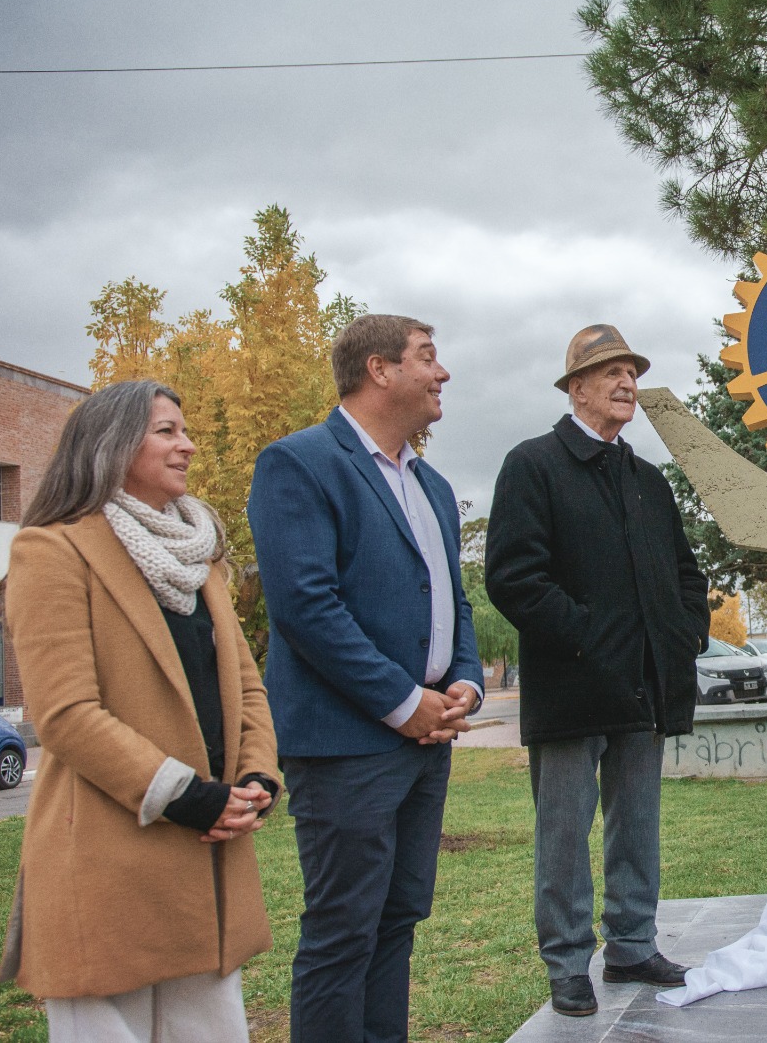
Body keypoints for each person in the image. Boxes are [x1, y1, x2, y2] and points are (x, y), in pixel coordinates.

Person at [0, 380, 278, 1041]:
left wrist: (258, 778)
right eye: (167, 431)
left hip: (208, 860)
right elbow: (65, 714)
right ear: (112, 445)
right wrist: (185, 796)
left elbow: (247, 687)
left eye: (184, 430)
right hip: (106, 865)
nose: (187, 444)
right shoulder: (51, 550)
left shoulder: (200, 555)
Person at [248, 314, 483, 1043]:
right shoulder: (299, 463)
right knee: (342, 931)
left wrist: (465, 681)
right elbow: (305, 606)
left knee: (399, 919)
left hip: (427, 742)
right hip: (346, 747)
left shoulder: (434, 486)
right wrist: (400, 701)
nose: (442, 374)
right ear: (379, 370)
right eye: (427, 359)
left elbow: (454, 600)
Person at [485, 324, 709, 1018]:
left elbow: (684, 573)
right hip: (572, 689)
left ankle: (633, 945)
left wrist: (684, 635)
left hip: (645, 687)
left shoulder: (647, 480)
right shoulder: (534, 464)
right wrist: (588, 638)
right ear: (576, 388)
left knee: (637, 824)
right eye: (609, 372)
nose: (625, 383)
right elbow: (514, 578)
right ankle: (566, 961)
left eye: (631, 372)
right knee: (564, 831)